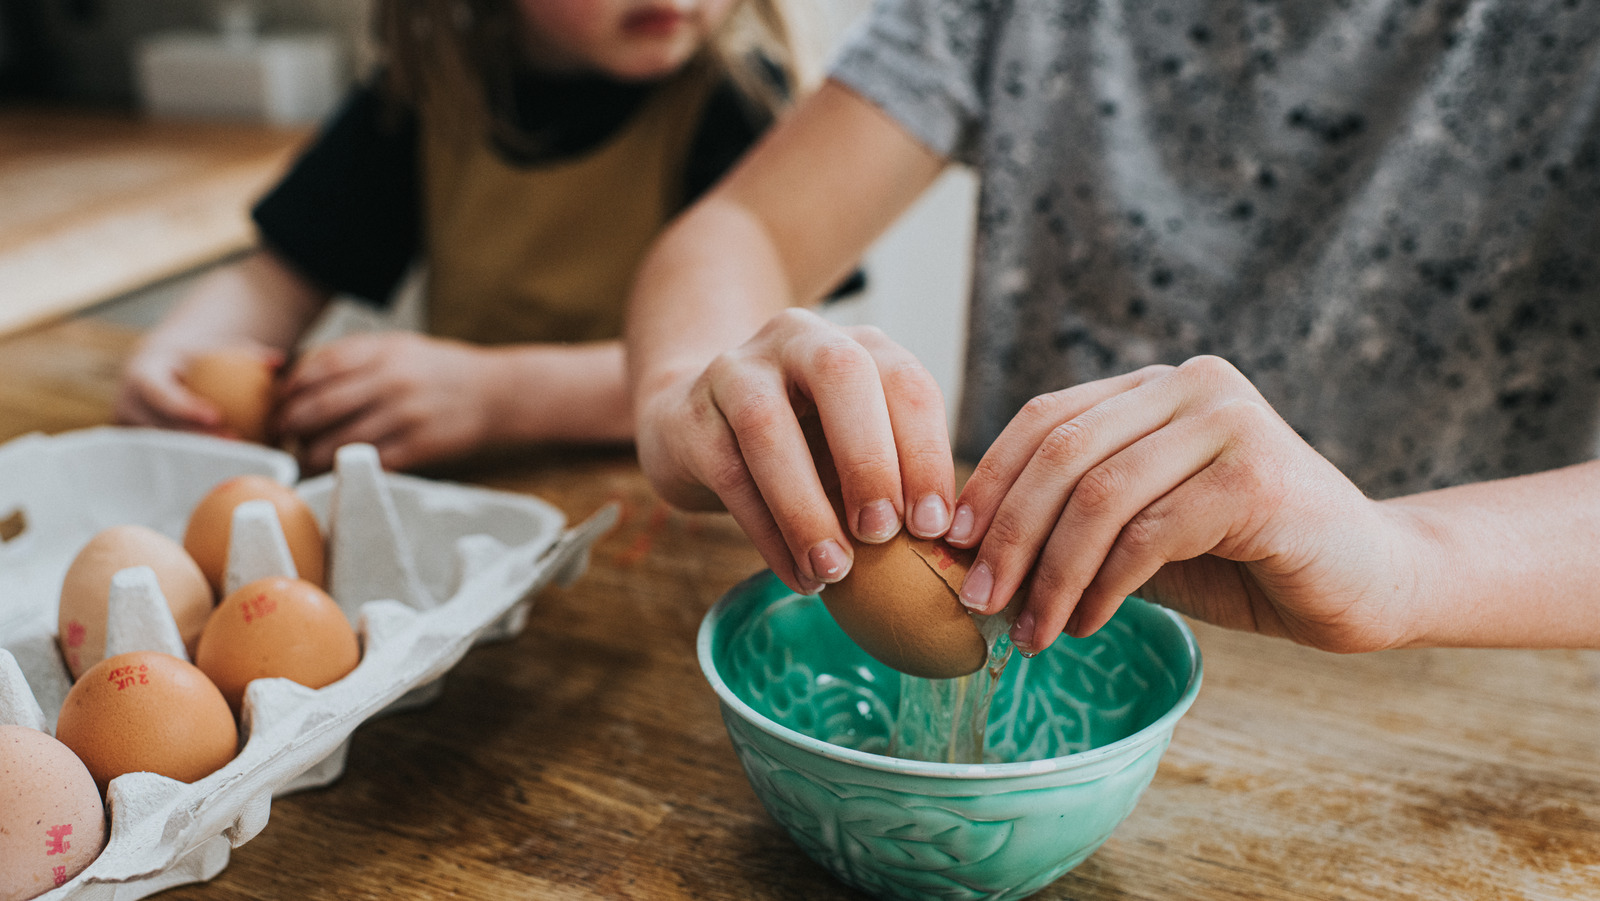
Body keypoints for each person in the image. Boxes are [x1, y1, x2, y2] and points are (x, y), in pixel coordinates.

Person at [624, 0, 1600, 657]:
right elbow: (742, 227)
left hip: (1469, 687)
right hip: (1047, 637)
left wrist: (1407, 557)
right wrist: (683, 389)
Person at [116, 0, 828, 473]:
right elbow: (278, 275)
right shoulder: (431, 90)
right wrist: (178, 355)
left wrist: (498, 396)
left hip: (656, 506)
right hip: (468, 498)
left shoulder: (735, 100)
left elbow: (746, 378)